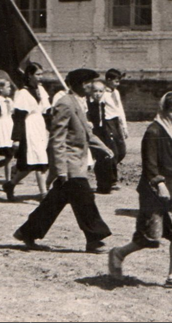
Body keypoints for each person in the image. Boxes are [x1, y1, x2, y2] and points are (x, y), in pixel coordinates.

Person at [13, 70, 114, 252]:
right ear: (83, 84)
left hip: (76, 162)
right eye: (90, 82)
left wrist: (104, 148)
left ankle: (27, 232)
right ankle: (94, 237)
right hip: (69, 163)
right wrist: (60, 169)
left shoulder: (76, 102)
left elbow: (86, 133)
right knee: (85, 199)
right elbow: (57, 139)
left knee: (55, 201)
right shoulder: (65, 104)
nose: (93, 86)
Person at [108, 91, 172, 291]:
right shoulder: (153, 131)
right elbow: (150, 163)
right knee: (150, 237)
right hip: (154, 192)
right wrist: (160, 183)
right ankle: (118, 253)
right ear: (163, 111)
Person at [4, 63, 50, 202]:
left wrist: (51, 127)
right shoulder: (23, 93)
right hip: (28, 128)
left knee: (39, 161)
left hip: (40, 127)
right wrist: (16, 138)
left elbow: (47, 111)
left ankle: (12, 185)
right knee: (30, 163)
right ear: (30, 75)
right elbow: (18, 117)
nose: (40, 77)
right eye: (38, 74)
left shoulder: (41, 90)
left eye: (42, 74)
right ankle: (42, 193)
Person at [87, 73, 120, 194]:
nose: (98, 94)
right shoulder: (88, 104)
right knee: (101, 157)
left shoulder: (103, 102)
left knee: (110, 154)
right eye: (95, 91)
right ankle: (102, 184)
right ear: (91, 91)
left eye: (100, 91)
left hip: (104, 131)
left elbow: (115, 111)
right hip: (94, 133)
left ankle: (108, 182)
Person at [102, 69, 129, 183]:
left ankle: (107, 169)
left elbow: (120, 110)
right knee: (113, 151)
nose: (118, 84)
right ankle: (112, 179)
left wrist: (124, 127)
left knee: (122, 151)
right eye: (116, 81)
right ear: (108, 80)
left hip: (116, 122)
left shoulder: (116, 92)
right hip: (108, 123)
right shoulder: (101, 93)